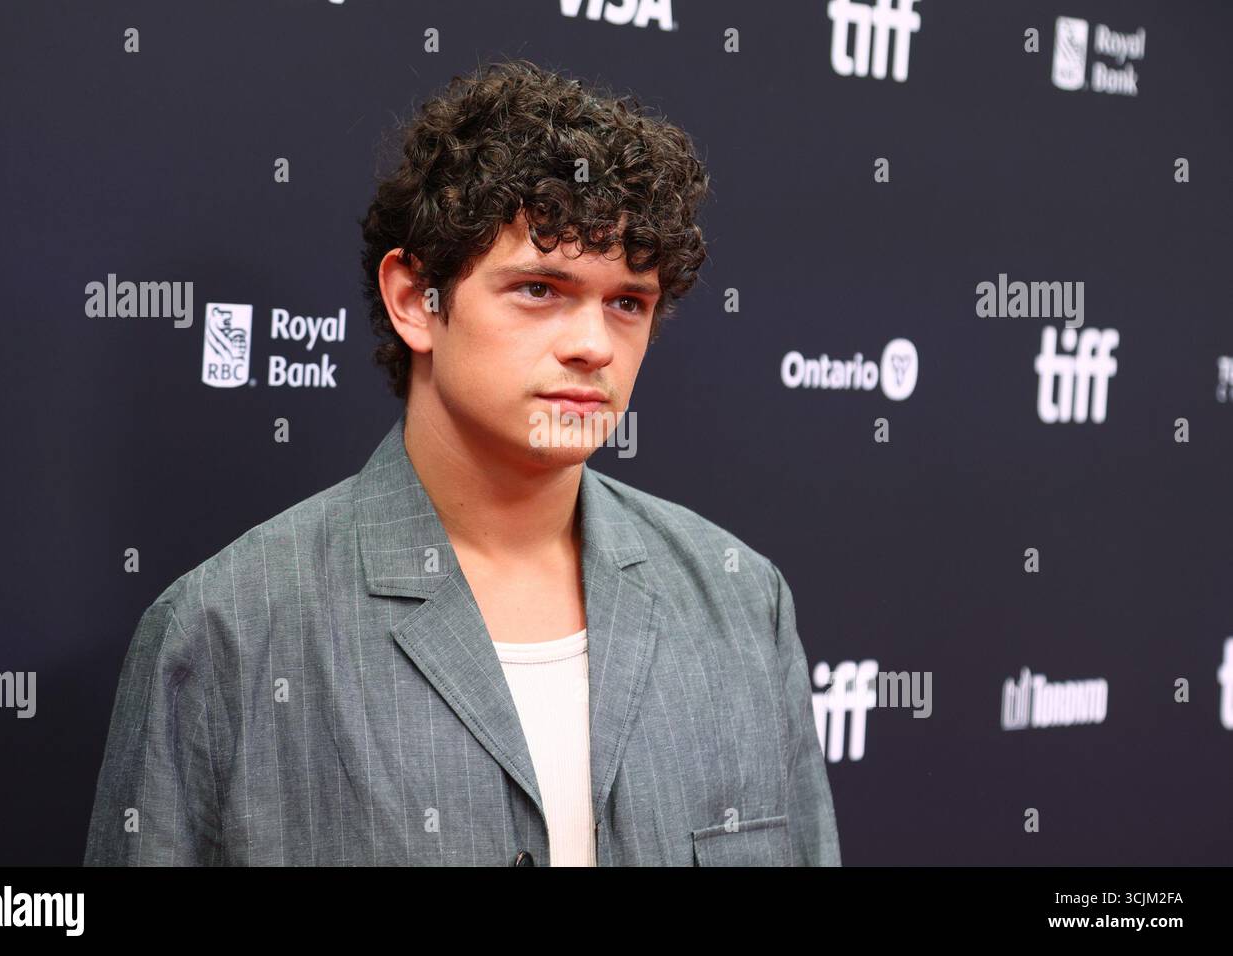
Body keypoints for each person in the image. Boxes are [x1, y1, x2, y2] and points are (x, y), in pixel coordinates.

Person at [84, 58, 840, 867]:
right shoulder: (228, 630)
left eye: (628, 302)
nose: (593, 346)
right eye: (541, 289)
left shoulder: (740, 600)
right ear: (416, 299)